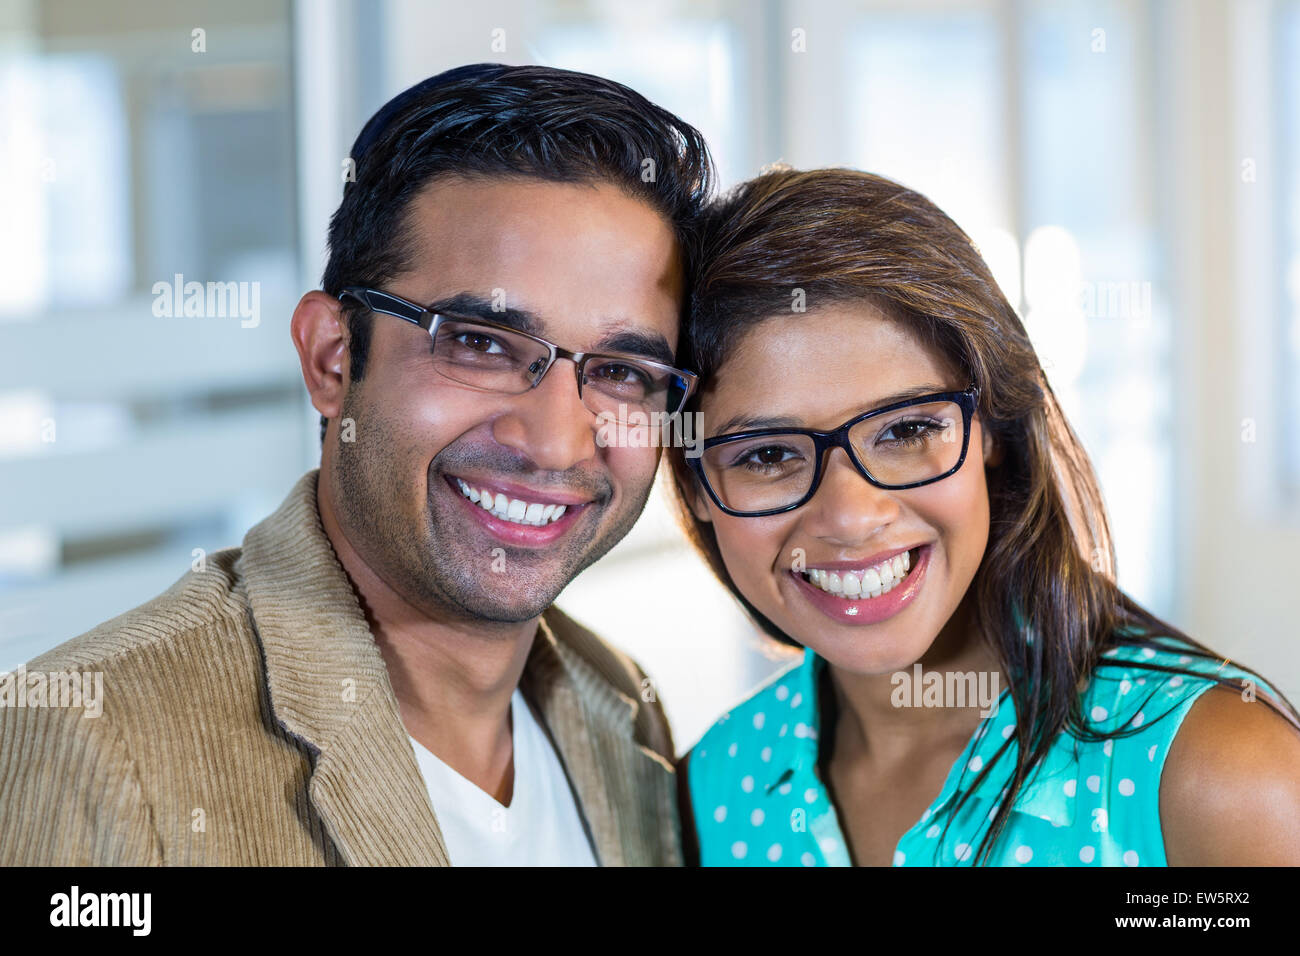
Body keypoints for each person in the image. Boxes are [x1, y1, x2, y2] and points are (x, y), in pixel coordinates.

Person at [0, 63, 712, 866]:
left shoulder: (620, 706)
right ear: (333, 358)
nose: (554, 442)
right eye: (481, 344)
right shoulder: (89, 744)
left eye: (621, 372)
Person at [669, 167, 1300, 866]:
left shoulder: (1219, 778)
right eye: (766, 455)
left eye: (907, 430)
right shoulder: (704, 792)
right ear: (694, 484)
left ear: (992, 429)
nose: (850, 517)